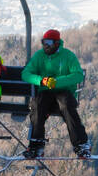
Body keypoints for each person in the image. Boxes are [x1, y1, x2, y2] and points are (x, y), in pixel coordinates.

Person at [21, 28, 90, 160]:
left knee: (67, 106)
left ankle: (82, 145)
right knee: (37, 106)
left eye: (49, 42)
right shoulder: (39, 56)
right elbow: (26, 74)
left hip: (63, 92)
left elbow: (78, 75)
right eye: (44, 42)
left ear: (57, 43)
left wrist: (57, 82)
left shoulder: (68, 56)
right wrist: (41, 80)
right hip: (45, 92)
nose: (45, 45)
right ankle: (36, 145)